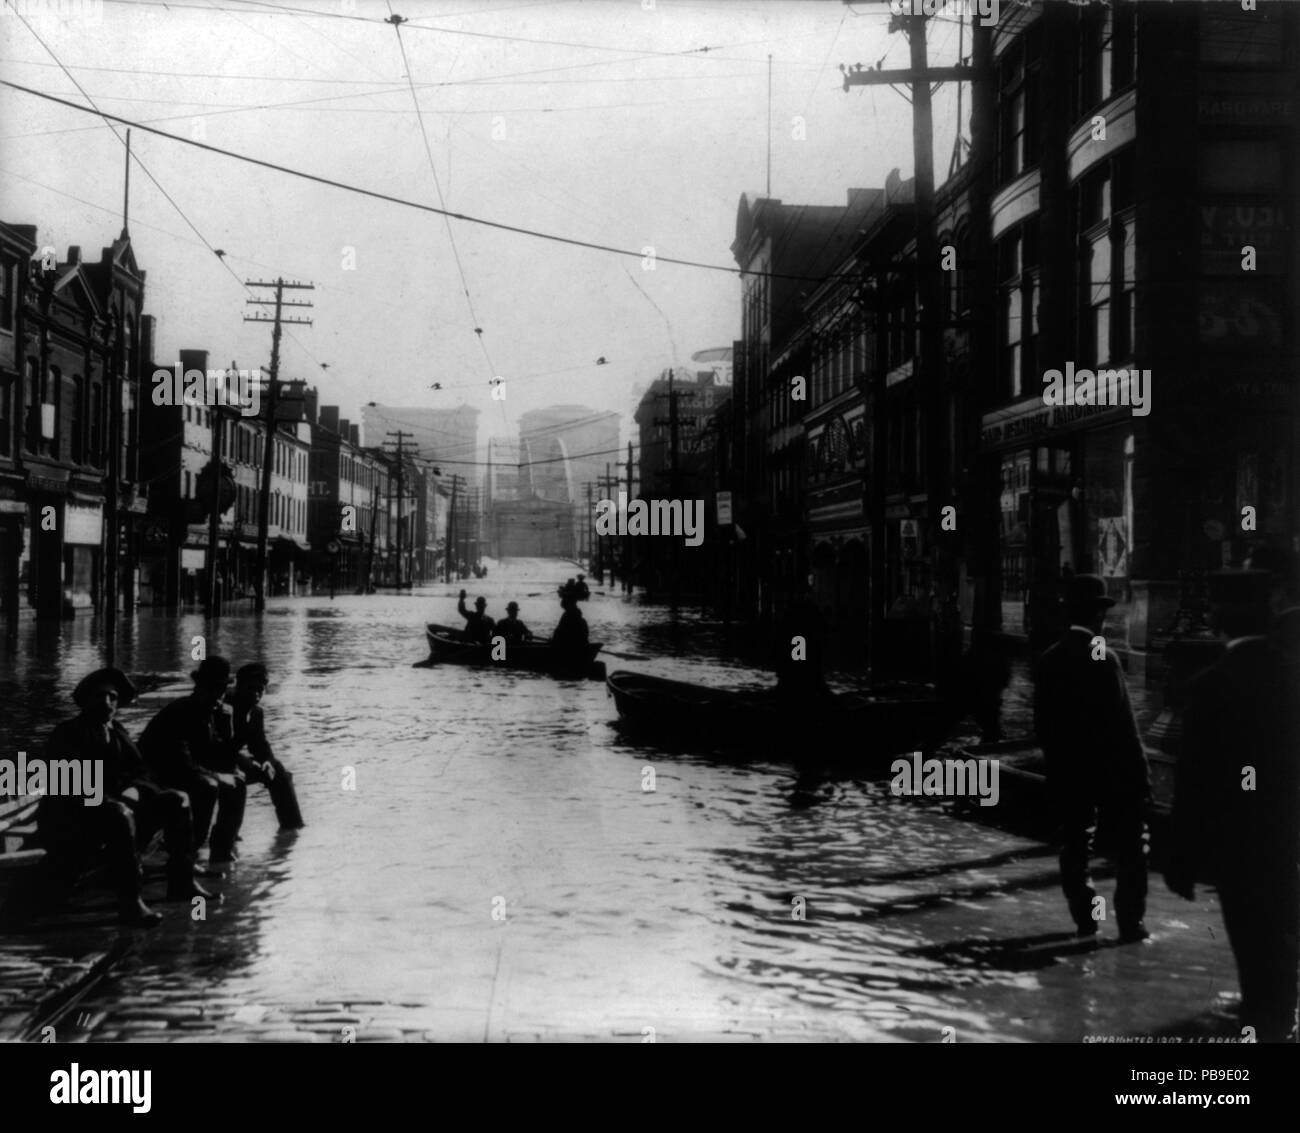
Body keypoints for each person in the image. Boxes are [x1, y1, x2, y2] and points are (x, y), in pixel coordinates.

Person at [1164, 566, 1300, 1042]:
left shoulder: (1211, 685)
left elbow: (1194, 780)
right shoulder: (1290, 675)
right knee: (1285, 945)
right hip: (1290, 842)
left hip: (1240, 849)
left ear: (1219, 619)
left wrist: (1179, 858)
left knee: (1253, 949)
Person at [37, 668, 214, 925]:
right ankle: (130, 902)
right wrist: (114, 800)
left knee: (178, 800)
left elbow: (141, 771)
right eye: (99, 697)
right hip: (70, 817)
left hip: (112, 810)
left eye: (112, 698)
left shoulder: (117, 732)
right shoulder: (67, 734)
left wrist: (133, 791)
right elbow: (72, 787)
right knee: (119, 814)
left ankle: (181, 881)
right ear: (86, 701)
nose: (106, 703)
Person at [1033, 574, 1151, 943]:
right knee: (1132, 848)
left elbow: (1045, 728)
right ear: (1099, 615)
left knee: (1076, 845)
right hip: (1113, 773)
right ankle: (1131, 925)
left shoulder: (1049, 659)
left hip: (1070, 773)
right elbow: (1124, 724)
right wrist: (1141, 776)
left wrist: (1058, 771)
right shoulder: (1104, 656)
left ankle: (1087, 920)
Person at [139, 656, 245, 866]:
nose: (217, 697)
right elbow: (180, 763)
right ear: (199, 688)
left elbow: (219, 756)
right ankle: (187, 853)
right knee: (207, 786)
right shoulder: (180, 712)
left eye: (221, 691)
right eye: (212, 690)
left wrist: (228, 728)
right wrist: (216, 776)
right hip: (158, 774)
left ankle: (222, 851)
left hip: (184, 772)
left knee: (237, 782)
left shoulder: (211, 715)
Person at [223, 663, 305, 831]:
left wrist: (267, 761)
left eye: (260, 689)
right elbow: (218, 747)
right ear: (239, 685)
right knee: (238, 779)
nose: (256, 694)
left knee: (279, 772)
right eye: (251, 688)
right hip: (211, 759)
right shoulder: (224, 706)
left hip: (231, 759)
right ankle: (228, 836)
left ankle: (292, 828)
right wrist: (248, 763)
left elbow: (259, 745)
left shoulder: (256, 712)